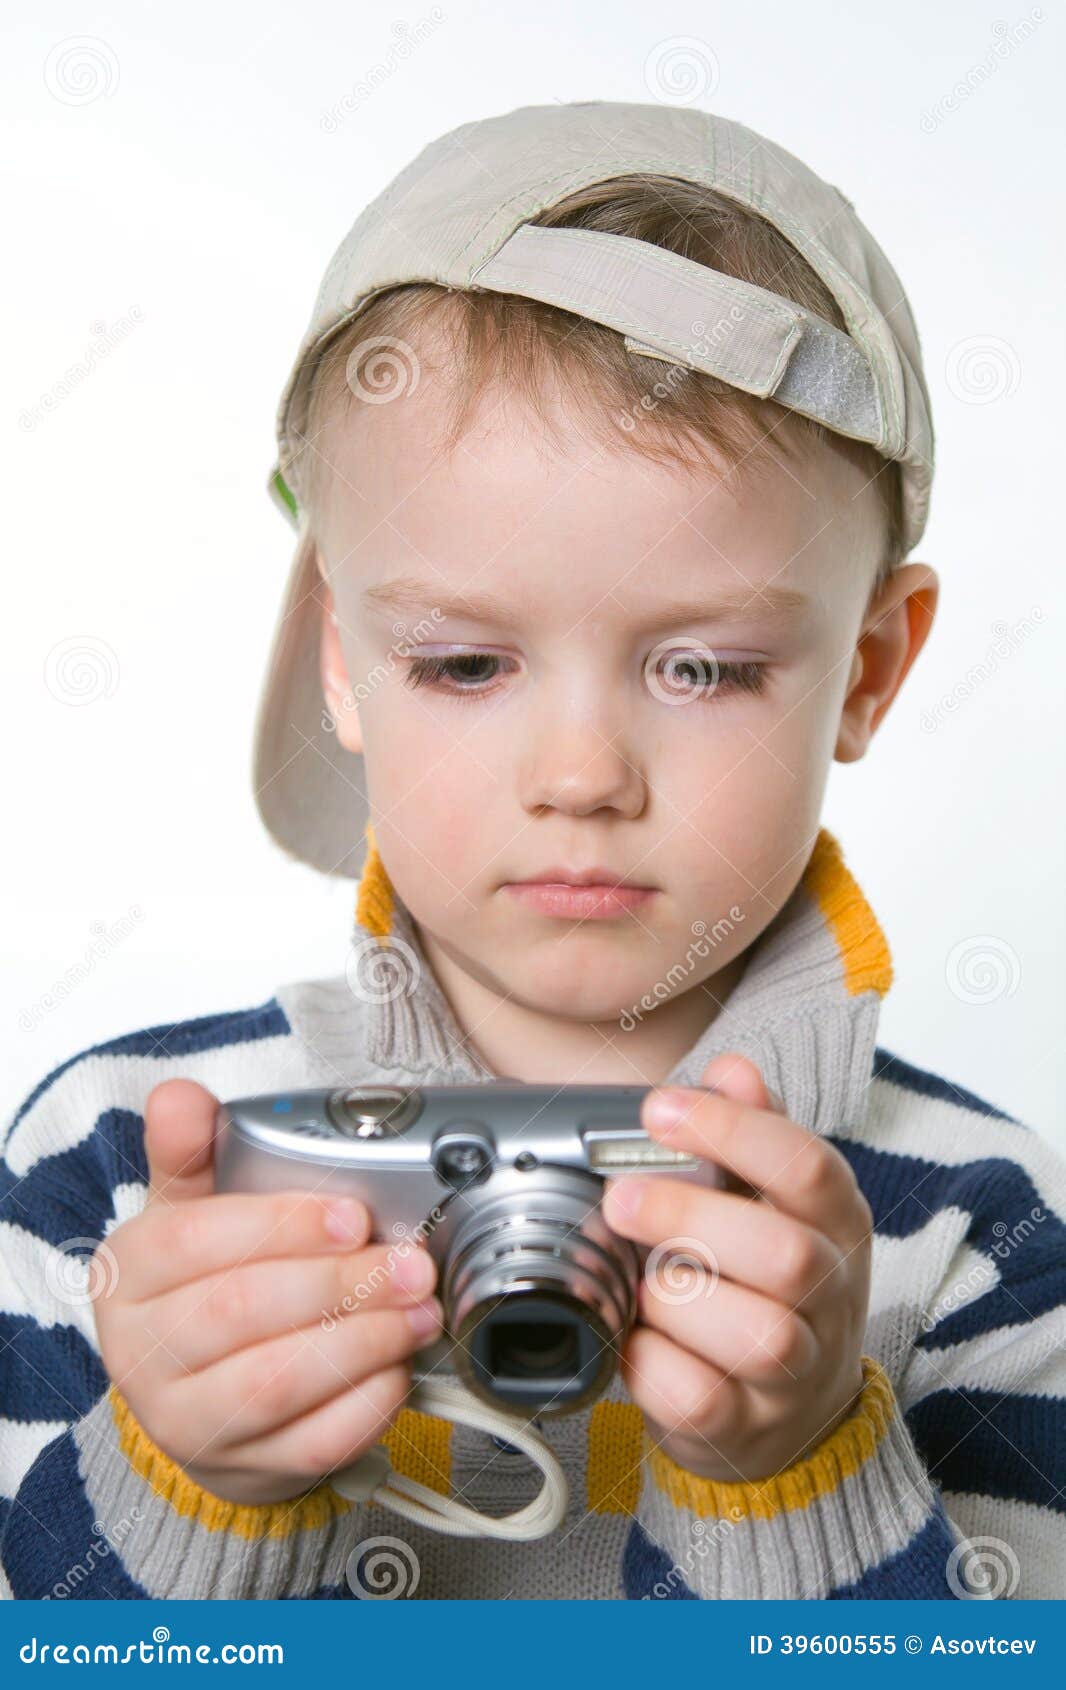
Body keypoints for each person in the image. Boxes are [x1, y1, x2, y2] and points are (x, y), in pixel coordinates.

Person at [3, 100, 1063, 1602]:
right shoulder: (113, 1177)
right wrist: (186, 1481)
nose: (579, 775)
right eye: (461, 663)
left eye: (702, 669)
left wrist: (804, 1468)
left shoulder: (980, 1233)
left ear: (874, 668)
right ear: (340, 662)